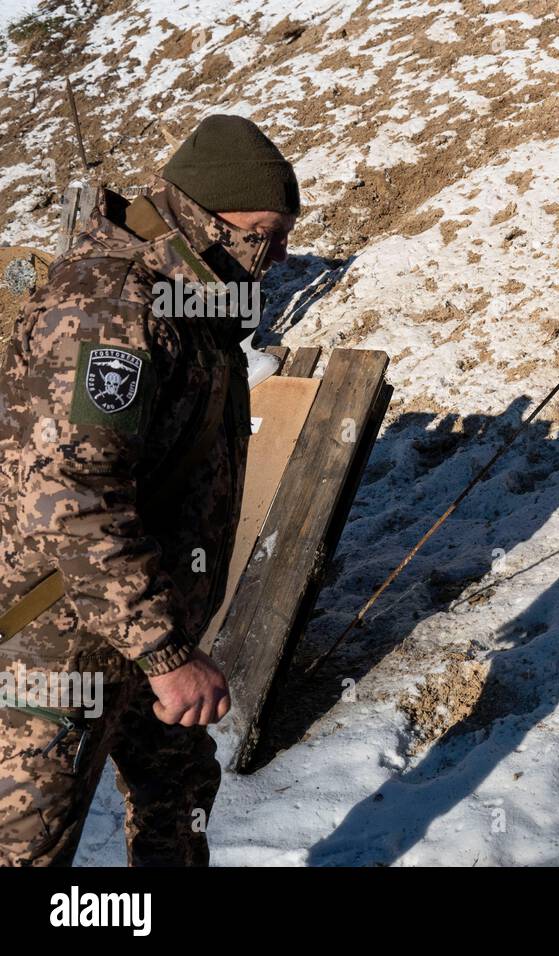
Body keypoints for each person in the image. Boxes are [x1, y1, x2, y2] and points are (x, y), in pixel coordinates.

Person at [0, 114, 298, 865]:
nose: (275, 257)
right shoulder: (113, 305)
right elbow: (73, 495)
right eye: (262, 233)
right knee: (27, 842)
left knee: (178, 794)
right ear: (202, 217)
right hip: (58, 640)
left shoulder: (184, 294)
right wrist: (165, 653)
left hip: (130, 624)